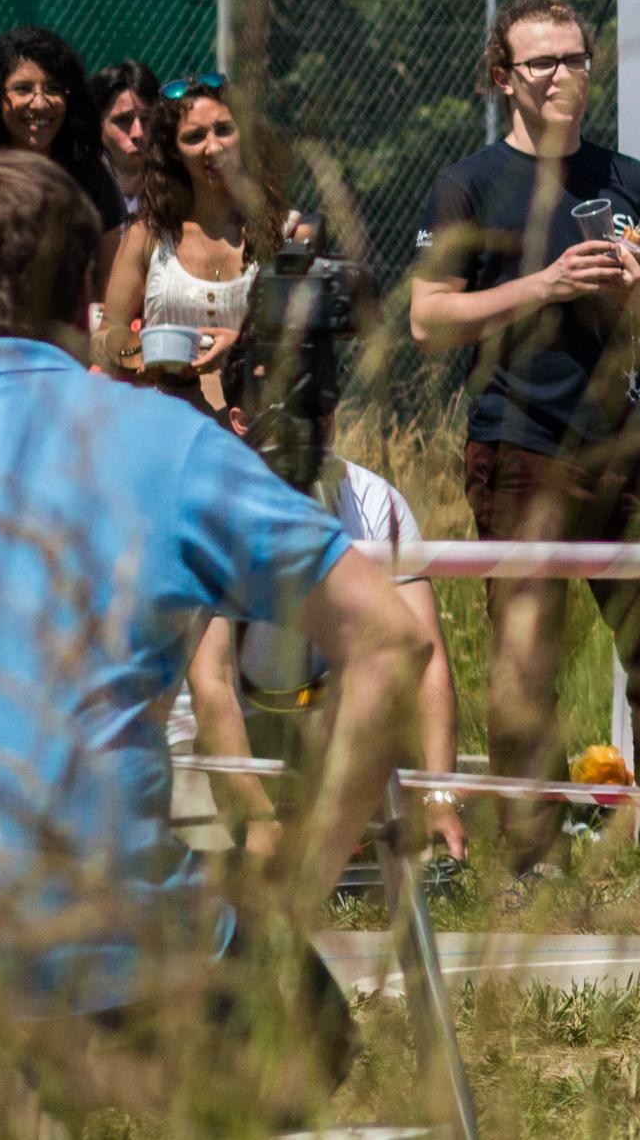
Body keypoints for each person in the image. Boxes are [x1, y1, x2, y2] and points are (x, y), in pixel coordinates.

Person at [0, 150, 427, 1132]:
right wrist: (300, 878)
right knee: (305, 1028)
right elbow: (388, 633)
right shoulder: (152, 438)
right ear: (90, 291)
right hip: (94, 940)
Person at [406, 0, 640, 882]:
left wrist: (637, 285)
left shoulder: (628, 178)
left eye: (574, 58)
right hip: (521, 439)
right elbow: (427, 320)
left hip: (622, 440)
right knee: (526, 659)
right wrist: (542, 284)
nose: (561, 76)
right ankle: (530, 861)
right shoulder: (470, 183)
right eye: (540, 62)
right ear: (505, 77)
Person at [185, 371, 469, 868]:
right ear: (239, 422)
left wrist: (439, 795)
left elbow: (427, 659)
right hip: (244, 730)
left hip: (342, 715)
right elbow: (211, 682)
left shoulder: (377, 503)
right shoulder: (215, 510)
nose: (308, 434)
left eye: (319, 417)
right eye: (286, 417)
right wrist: (257, 820)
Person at [100, 74, 277, 409]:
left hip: (256, 433)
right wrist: (150, 356)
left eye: (224, 130)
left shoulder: (280, 232)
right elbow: (108, 336)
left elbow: (304, 343)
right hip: (168, 423)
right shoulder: (148, 235)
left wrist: (243, 345)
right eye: (195, 137)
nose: (214, 147)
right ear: (175, 152)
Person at [0, 26, 128, 229]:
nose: (40, 104)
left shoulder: (91, 176)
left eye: (53, 88)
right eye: (23, 89)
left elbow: (112, 257)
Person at [94, 59, 162, 220]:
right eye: (123, 120)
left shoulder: (176, 198)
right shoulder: (78, 198)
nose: (138, 133)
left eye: (146, 120)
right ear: (97, 125)